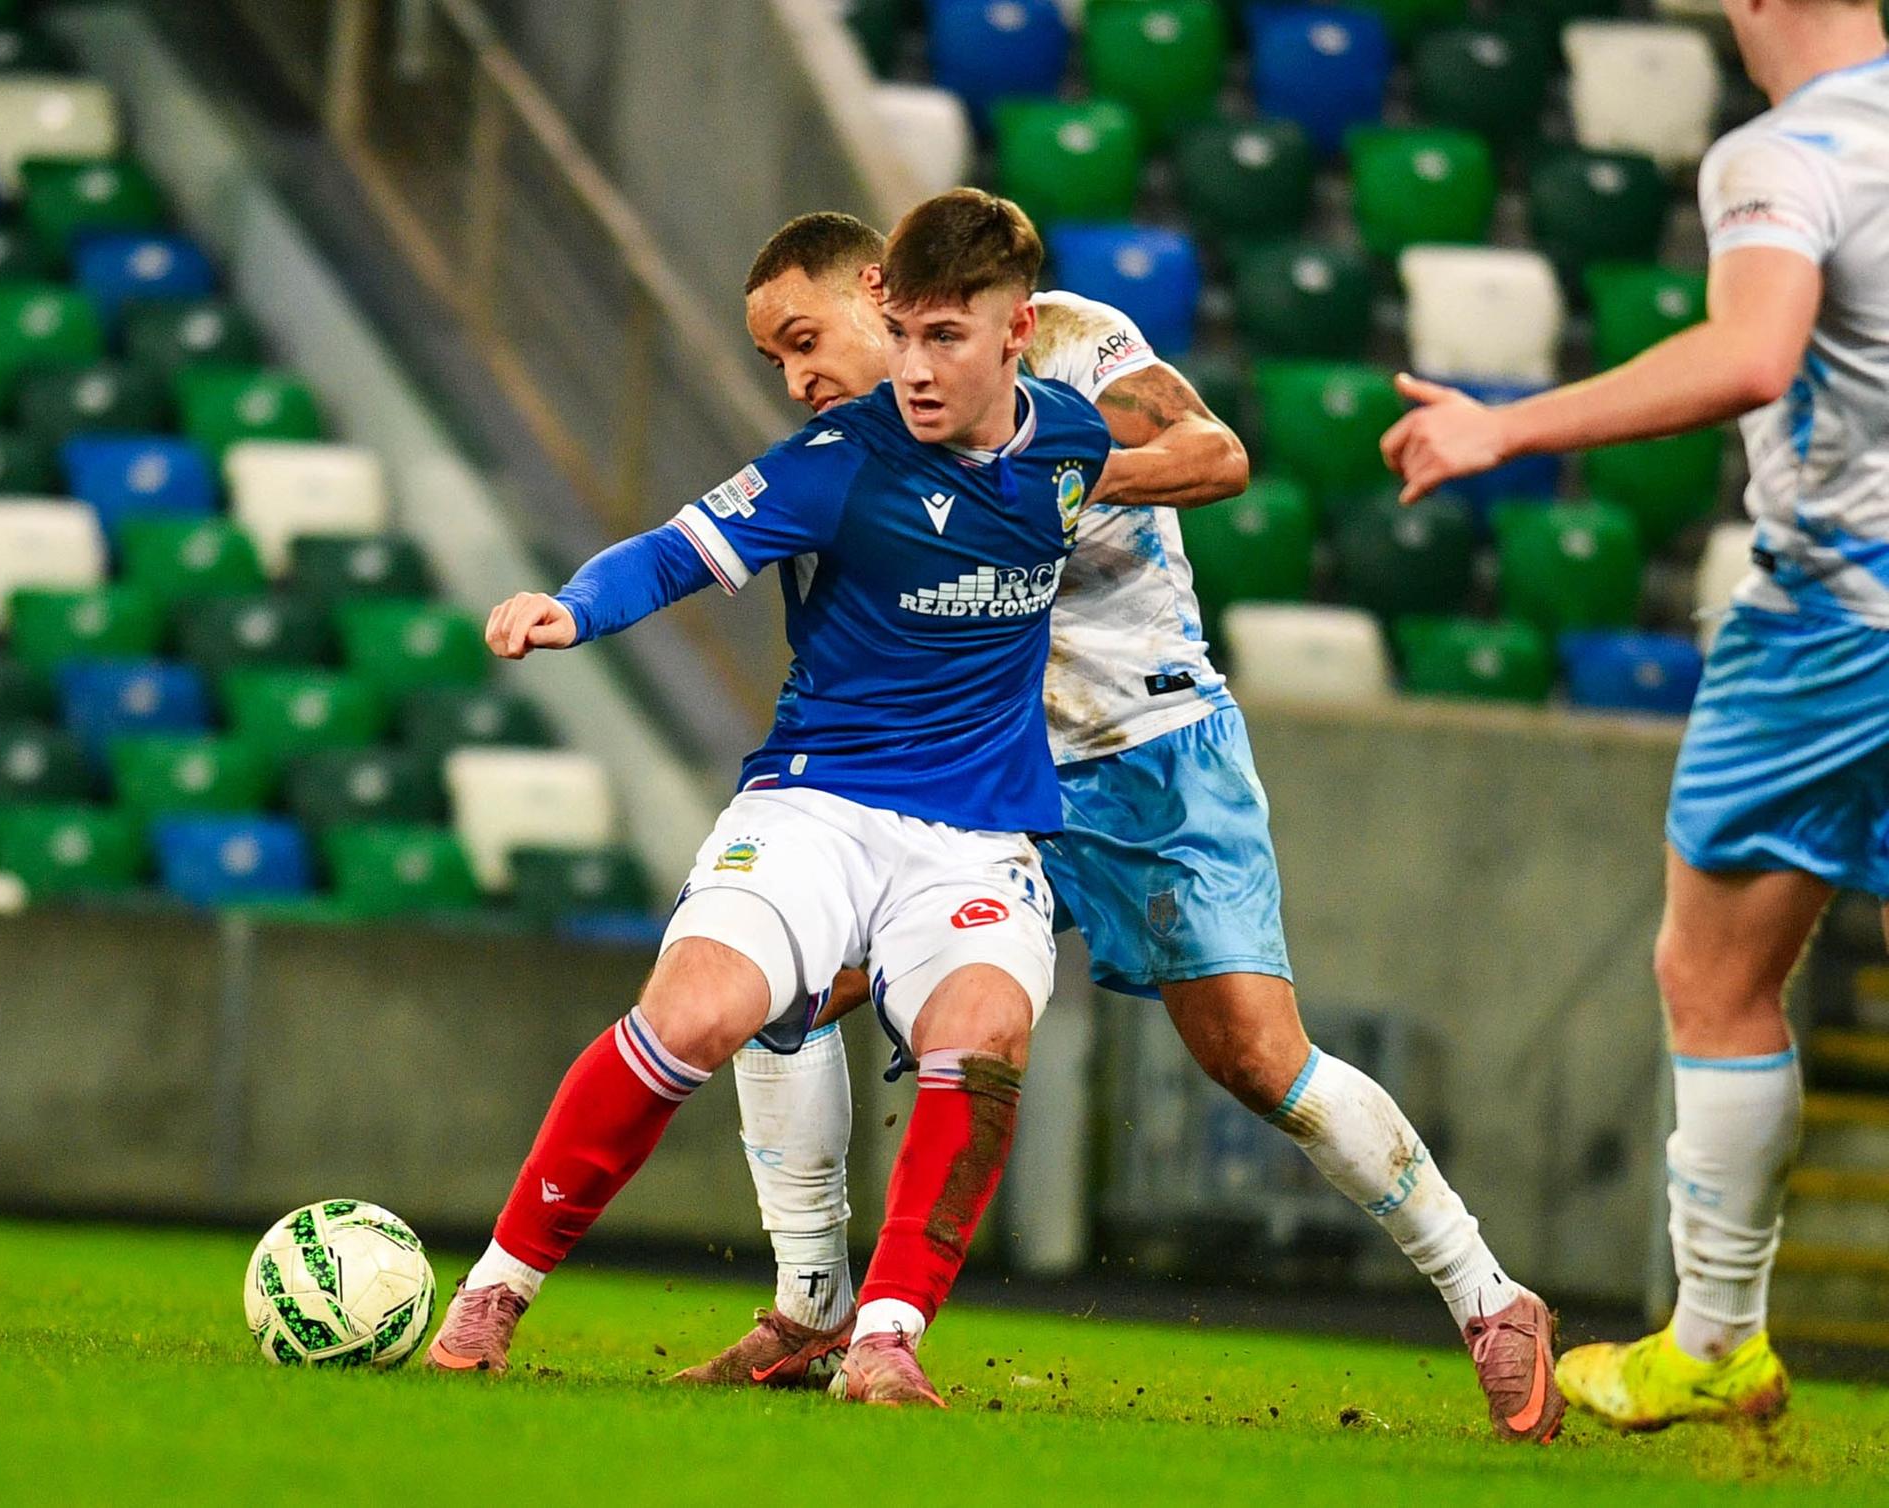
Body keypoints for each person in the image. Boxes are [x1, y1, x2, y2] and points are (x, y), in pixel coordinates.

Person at [676, 210, 1565, 1443]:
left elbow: (1215, 454)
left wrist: (1049, 480)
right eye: (777, 356)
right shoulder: (866, 437)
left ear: (879, 291)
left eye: (803, 338)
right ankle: (813, 1304)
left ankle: (1490, 1297)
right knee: (783, 983)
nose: (796, 375)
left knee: (1256, 1057)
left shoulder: (1069, 342)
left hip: (1148, 748)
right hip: (979, 777)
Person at [423, 188, 1110, 1406]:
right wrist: (571, 607)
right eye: (901, 336)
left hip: (976, 832)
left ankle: (881, 1338)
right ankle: (495, 1288)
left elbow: (1163, 463)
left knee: (983, 1031)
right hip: (816, 802)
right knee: (697, 1011)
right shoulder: (834, 464)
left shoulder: (1072, 442)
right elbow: (672, 549)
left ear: (1017, 332)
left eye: (940, 338)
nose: (906, 366)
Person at [1380, 0, 1889, 1432]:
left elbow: (1751, 354)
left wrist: (1503, 423)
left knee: (1712, 974)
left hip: (1837, 617)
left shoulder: (1783, 153)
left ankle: (1716, 1335)